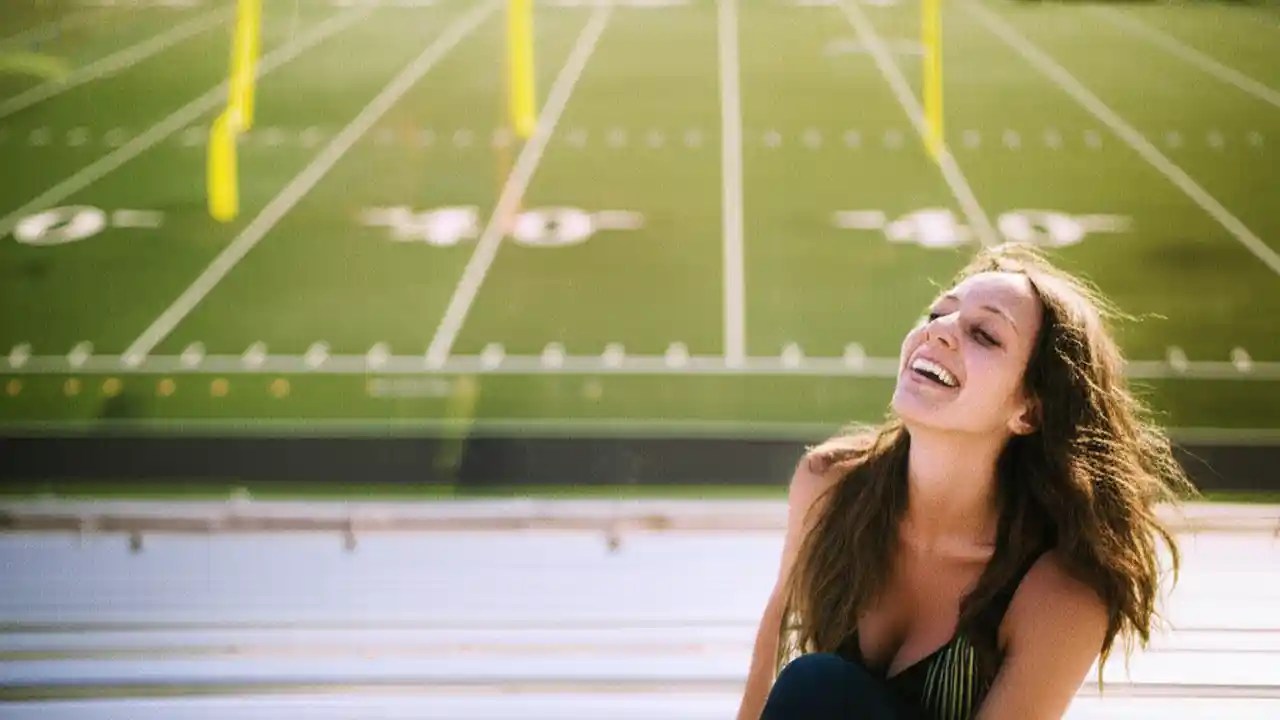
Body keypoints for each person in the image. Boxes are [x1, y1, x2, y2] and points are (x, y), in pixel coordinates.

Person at [736, 243, 1196, 720]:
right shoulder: (828, 486)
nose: (938, 330)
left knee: (820, 685)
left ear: (1029, 410)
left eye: (983, 334)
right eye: (938, 312)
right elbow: (776, 636)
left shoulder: (1059, 592)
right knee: (814, 685)